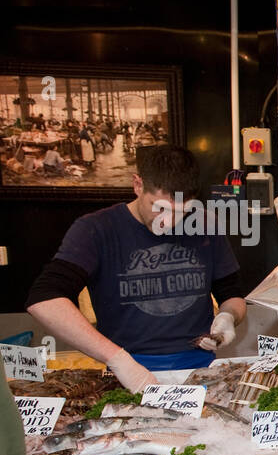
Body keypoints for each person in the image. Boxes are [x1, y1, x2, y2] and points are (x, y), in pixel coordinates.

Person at [26, 144, 246, 392]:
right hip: (126, 371)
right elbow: (44, 299)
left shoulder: (205, 223)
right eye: (160, 208)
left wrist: (229, 316)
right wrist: (118, 360)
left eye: (182, 212)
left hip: (199, 369)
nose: (169, 222)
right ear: (138, 185)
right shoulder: (96, 229)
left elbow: (232, 293)